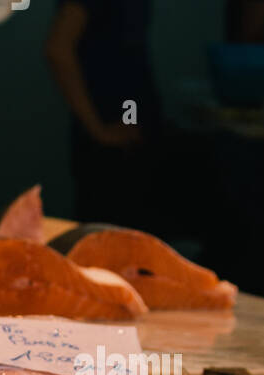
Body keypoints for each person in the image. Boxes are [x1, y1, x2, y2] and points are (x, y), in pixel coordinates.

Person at [45, 0, 163, 228]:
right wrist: (98, 130)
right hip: (111, 146)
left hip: (136, 137)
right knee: (108, 241)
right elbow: (57, 49)